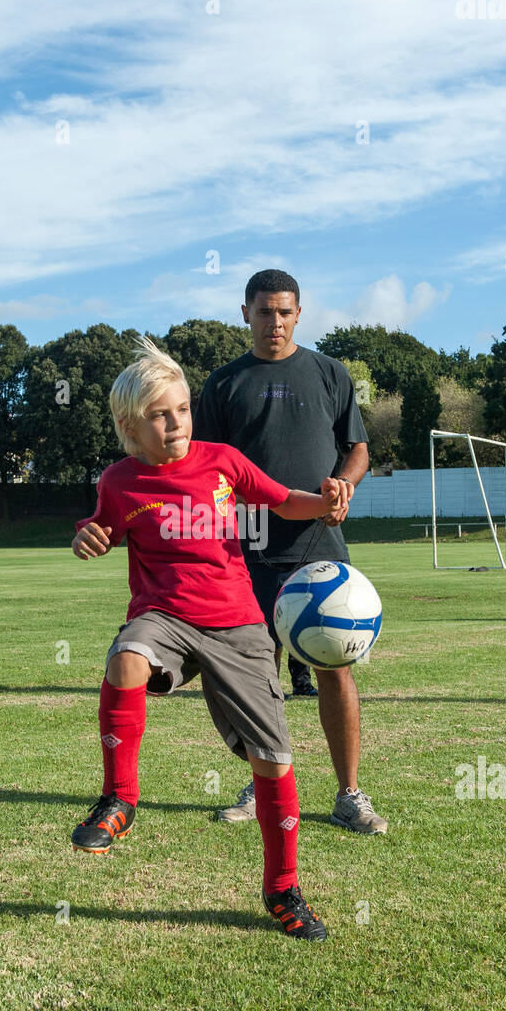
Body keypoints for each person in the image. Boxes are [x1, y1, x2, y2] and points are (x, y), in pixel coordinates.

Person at [71, 337, 349, 941]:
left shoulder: (222, 461)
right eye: (160, 414)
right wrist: (88, 537)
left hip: (239, 625)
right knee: (126, 659)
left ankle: (283, 890)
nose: (176, 423)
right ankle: (119, 800)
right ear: (130, 425)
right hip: (163, 615)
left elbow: (282, 501)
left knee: (273, 762)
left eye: (183, 409)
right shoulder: (119, 480)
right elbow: (101, 527)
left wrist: (325, 502)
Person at [194, 268, 387, 835]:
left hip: (318, 545)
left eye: (284, 312)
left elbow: (358, 449)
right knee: (258, 672)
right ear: (245, 313)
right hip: (245, 546)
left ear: (299, 313)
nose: (273, 322)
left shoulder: (330, 373)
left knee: (336, 666)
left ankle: (349, 794)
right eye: (263, 311)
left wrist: (344, 484)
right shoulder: (223, 384)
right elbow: (203, 465)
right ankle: (263, 789)